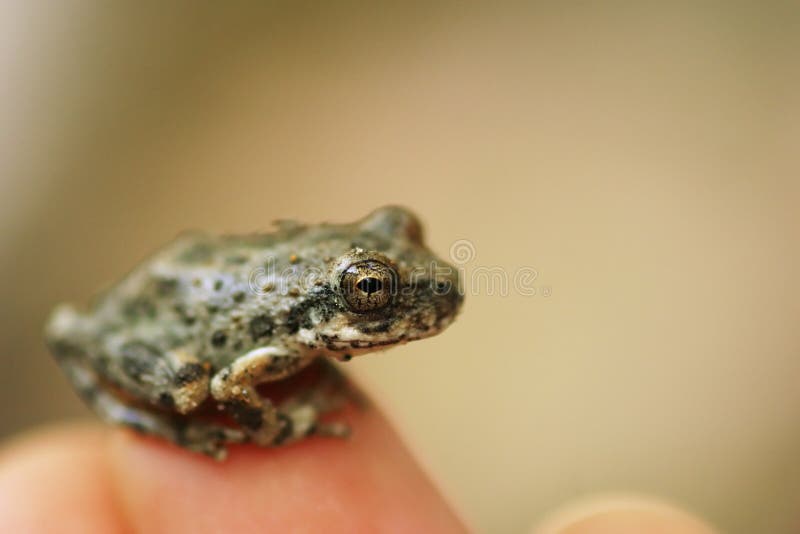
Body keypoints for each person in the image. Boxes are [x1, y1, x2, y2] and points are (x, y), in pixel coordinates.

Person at [0, 400, 715, 533]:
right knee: (191, 385)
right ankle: (142, 416)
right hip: (174, 326)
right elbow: (232, 387)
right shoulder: (276, 347)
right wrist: (289, 426)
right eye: (372, 294)